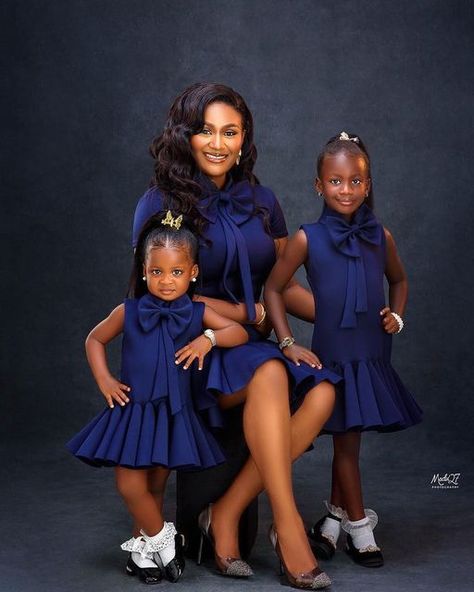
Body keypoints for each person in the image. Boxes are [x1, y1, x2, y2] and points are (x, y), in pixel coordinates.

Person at [133, 82, 341, 589]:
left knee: (322, 392)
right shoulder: (161, 202)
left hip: (247, 345)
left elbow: (282, 285)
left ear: (245, 139)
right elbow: (160, 297)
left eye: (231, 132)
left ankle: (225, 513)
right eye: (206, 131)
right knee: (269, 368)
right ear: (186, 136)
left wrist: (345, 314)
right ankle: (288, 530)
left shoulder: (263, 202)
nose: (219, 143)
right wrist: (236, 314)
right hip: (193, 352)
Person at [264, 131, 423, 568]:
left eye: (355, 182)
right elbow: (274, 290)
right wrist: (288, 341)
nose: (346, 190)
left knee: (348, 442)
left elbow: (400, 281)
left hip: (371, 356)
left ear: (367, 186)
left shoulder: (381, 236)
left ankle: (332, 521)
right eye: (336, 181)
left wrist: (397, 315)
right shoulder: (306, 238)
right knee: (346, 446)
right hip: (334, 359)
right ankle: (359, 525)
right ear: (319, 185)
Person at [67, 212, 248, 584]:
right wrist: (104, 379)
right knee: (129, 484)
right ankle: (166, 540)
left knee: (154, 485)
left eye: (177, 273)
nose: (166, 281)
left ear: (193, 272)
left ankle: (141, 552)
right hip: (133, 411)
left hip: (172, 414)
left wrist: (207, 339)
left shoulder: (198, 313)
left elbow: (238, 332)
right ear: (145, 271)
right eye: (157, 272)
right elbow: (94, 339)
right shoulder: (130, 311)